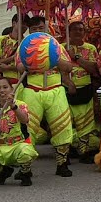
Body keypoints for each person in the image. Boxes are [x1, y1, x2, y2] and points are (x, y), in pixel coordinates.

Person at [18, 16, 79, 177]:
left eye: (40, 28)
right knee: (27, 127)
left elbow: (69, 67)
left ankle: (62, 163)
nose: (38, 31)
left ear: (46, 28)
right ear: (29, 31)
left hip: (55, 89)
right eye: (34, 29)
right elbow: (19, 67)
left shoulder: (55, 45)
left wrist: (53, 59)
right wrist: (34, 61)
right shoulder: (24, 46)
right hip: (32, 90)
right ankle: (26, 166)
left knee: (62, 125)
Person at [63, 20, 101, 164]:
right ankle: (66, 152)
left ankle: (84, 152)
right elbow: (57, 69)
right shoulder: (62, 47)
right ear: (69, 32)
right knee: (66, 122)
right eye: (75, 30)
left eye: (81, 30)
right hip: (67, 89)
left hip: (85, 89)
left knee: (86, 122)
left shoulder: (90, 48)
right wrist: (68, 82)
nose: (78, 32)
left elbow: (94, 69)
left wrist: (76, 57)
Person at [0, 14, 25, 85]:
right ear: (14, 23)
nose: (24, 26)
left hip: (22, 81)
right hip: (5, 80)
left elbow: (28, 67)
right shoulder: (1, 40)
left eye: (26, 24)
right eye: (21, 23)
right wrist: (12, 58)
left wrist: (8, 67)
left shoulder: (27, 42)